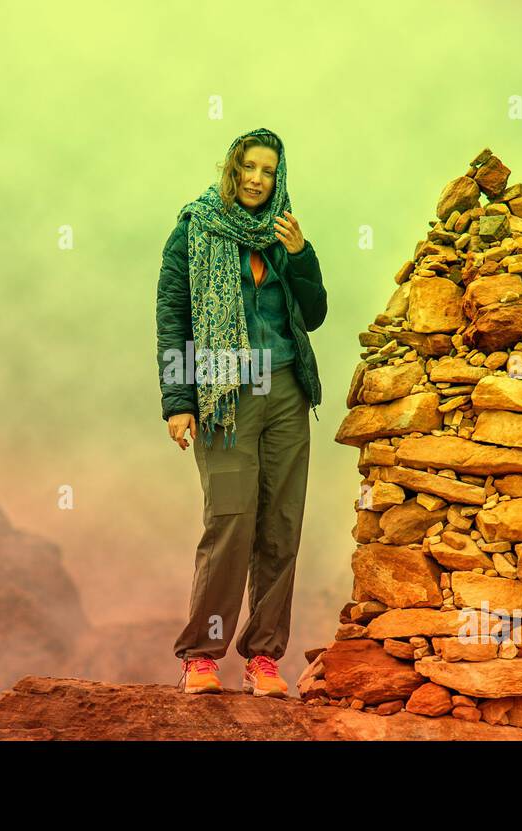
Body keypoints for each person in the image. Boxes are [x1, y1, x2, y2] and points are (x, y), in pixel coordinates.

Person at [154, 127, 327, 697]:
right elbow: (174, 318)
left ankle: (263, 658)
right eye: (249, 167)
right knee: (229, 521)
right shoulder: (193, 230)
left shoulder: (284, 233)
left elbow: (316, 313)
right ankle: (202, 656)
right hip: (224, 392)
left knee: (280, 525)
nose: (258, 179)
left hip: (285, 390)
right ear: (232, 169)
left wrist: (301, 256)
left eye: (269, 171)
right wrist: (179, 403)